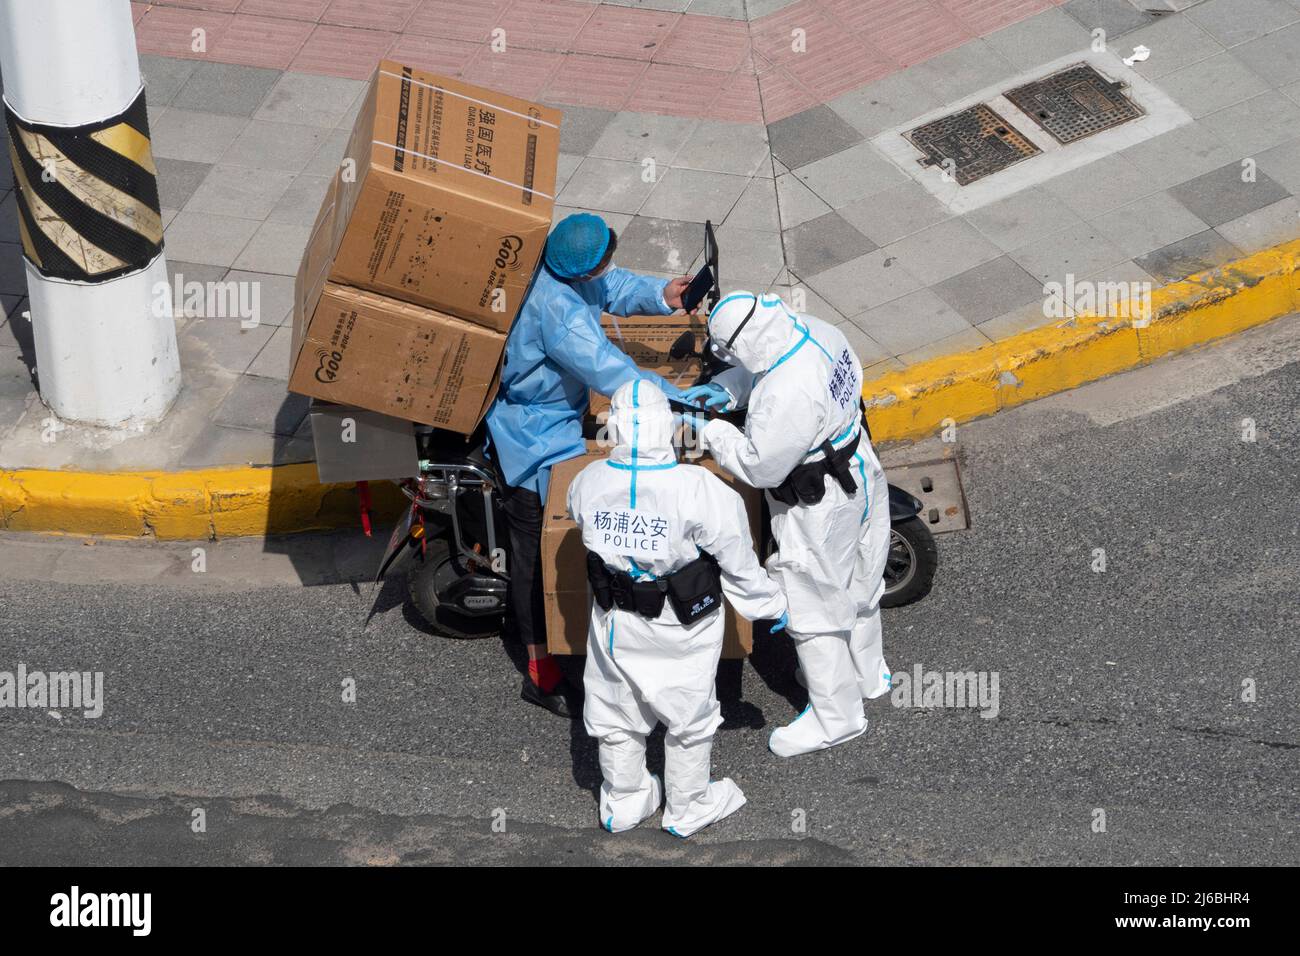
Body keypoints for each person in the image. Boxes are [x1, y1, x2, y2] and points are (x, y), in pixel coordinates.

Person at [486, 213, 704, 718]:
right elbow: (614, 373)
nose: (608, 267)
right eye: (602, 259)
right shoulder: (560, 313)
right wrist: (684, 402)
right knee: (536, 556)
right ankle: (541, 673)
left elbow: (613, 283)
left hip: (554, 417)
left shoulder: (556, 266)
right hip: (536, 439)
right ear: (580, 270)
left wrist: (662, 294)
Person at [568, 379, 788, 835]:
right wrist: (768, 604)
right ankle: (688, 805)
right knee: (689, 712)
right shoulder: (699, 488)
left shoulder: (587, 481)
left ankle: (626, 800)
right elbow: (737, 558)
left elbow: (578, 517)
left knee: (615, 707)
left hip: (614, 618)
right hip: (679, 621)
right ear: (665, 426)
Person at [687, 291, 892, 758]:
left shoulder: (786, 392)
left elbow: (761, 469)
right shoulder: (818, 329)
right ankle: (866, 673)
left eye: (734, 354)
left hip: (817, 504)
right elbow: (770, 360)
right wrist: (730, 388)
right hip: (859, 467)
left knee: (812, 605)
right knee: (861, 576)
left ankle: (837, 717)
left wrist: (713, 429)